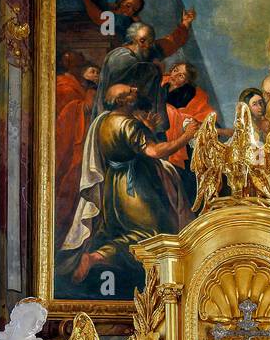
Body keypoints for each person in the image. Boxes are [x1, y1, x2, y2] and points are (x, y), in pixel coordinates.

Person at [62, 83, 199, 283]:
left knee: (122, 228)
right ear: (121, 101)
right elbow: (154, 151)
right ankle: (95, 257)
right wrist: (186, 136)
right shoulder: (127, 123)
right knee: (148, 233)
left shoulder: (104, 120)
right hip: (134, 187)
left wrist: (147, 130)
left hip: (114, 185)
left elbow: (127, 145)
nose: (135, 89)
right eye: (129, 91)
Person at [56, 51, 98, 232]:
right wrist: (91, 92)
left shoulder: (78, 85)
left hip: (78, 139)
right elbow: (83, 108)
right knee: (68, 179)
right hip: (69, 141)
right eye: (79, 64)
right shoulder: (64, 87)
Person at [163, 61, 214, 169]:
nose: (175, 75)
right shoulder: (163, 85)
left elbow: (186, 115)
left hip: (180, 130)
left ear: (187, 81)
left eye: (181, 75)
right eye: (175, 70)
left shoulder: (187, 94)